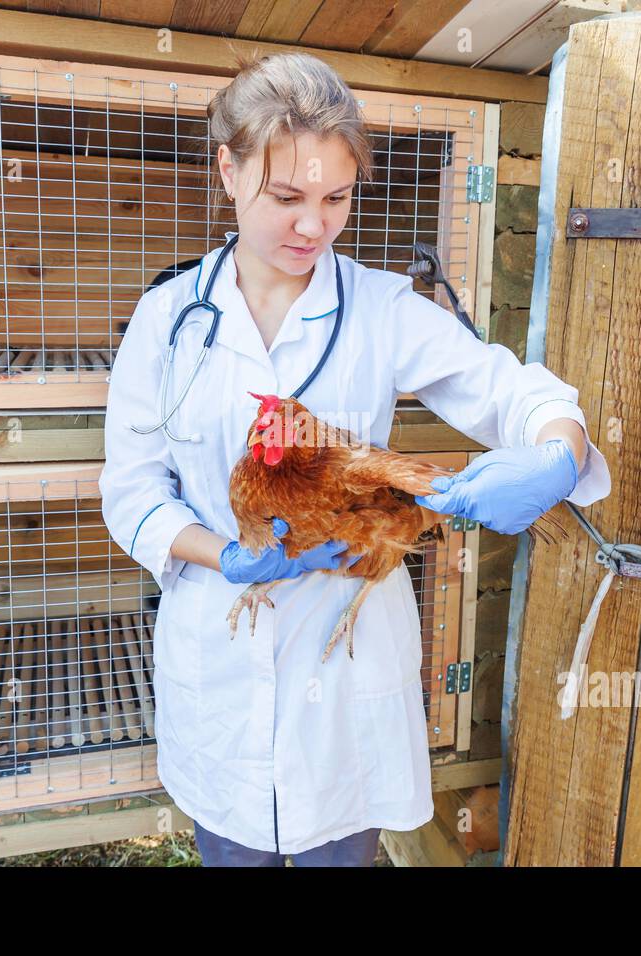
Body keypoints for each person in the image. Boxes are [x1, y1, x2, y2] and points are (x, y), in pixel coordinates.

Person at [99, 52, 611, 867]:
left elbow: (509, 391)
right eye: (287, 197)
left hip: (347, 659)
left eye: (336, 198)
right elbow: (131, 492)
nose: (313, 226)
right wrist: (225, 556)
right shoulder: (167, 320)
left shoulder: (380, 310)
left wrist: (556, 451)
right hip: (219, 668)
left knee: (343, 848)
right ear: (227, 171)